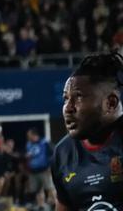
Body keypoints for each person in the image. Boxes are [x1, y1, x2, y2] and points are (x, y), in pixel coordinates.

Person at [52, 52, 123, 211]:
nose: (68, 108)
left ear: (110, 103)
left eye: (78, 97)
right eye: (65, 99)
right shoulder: (63, 154)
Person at [25, 127, 55, 209]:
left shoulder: (44, 142)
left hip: (44, 170)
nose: (28, 137)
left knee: (49, 188)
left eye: (29, 135)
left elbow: (53, 154)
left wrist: (50, 166)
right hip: (33, 171)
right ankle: (41, 206)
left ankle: (55, 205)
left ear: (34, 135)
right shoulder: (29, 144)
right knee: (37, 190)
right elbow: (29, 157)